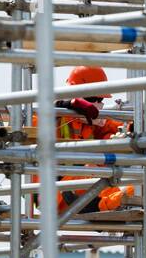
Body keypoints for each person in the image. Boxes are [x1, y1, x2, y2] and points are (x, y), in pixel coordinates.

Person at [34, 65, 133, 213]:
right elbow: (32, 125)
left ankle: (122, 200)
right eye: (93, 99)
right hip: (51, 193)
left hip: (77, 190)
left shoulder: (91, 124)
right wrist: (63, 105)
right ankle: (112, 204)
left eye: (100, 99)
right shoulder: (55, 118)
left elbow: (116, 128)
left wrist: (133, 127)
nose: (97, 104)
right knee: (95, 166)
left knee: (112, 158)